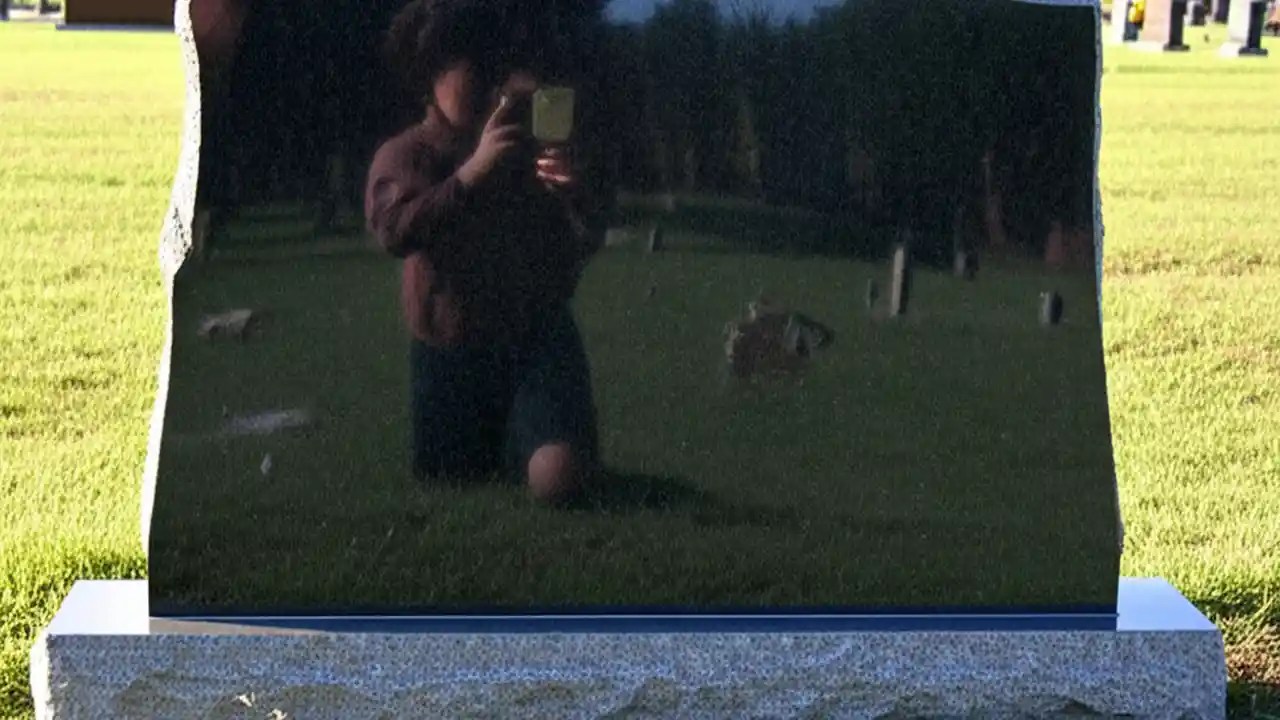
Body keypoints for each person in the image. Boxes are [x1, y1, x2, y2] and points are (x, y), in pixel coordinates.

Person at [365, 0, 611, 504]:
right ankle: (510, 447)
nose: (491, 87)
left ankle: (542, 449)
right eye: (474, 70)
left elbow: (582, 239)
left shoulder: (527, 151)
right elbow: (394, 229)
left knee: (559, 478)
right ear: (432, 77)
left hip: (535, 340)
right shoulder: (409, 153)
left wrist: (576, 195)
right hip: (452, 350)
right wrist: (469, 176)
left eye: (496, 69)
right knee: (451, 481)